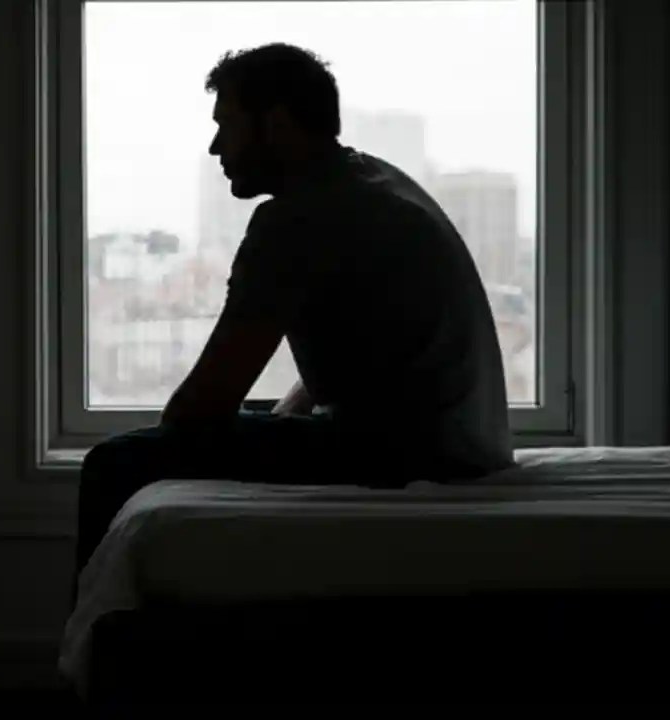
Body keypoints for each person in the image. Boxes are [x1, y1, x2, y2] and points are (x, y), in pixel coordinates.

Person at [72, 42, 515, 597]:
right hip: (462, 445)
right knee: (260, 416)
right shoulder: (373, 182)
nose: (215, 147)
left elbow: (201, 407)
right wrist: (280, 420)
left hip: (411, 457)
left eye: (226, 126)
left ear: (276, 124)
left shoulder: (295, 220)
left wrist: (179, 436)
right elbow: (369, 356)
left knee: (112, 464)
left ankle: (89, 661)